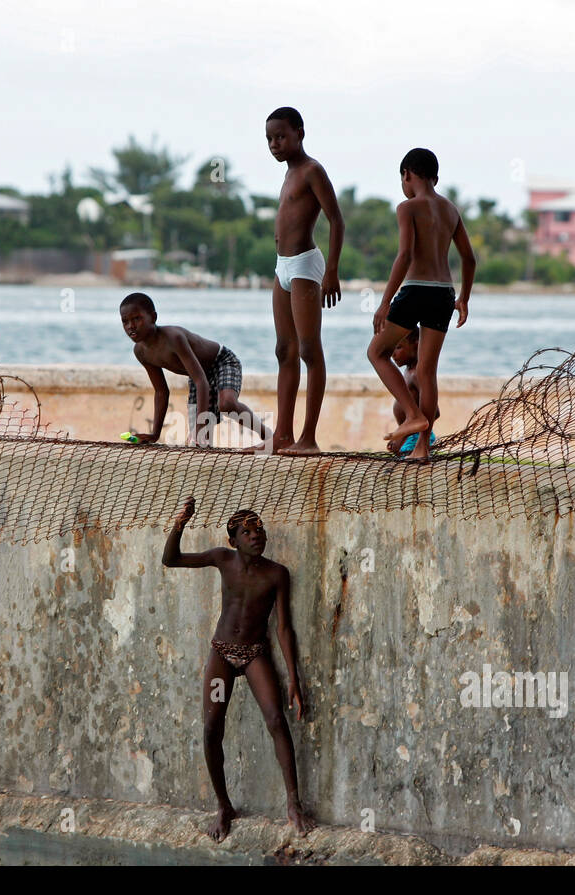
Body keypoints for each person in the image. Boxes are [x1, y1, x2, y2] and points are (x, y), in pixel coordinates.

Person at [162, 495, 314, 842]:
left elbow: (284, 628)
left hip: (254, 653)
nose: (255, 536)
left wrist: (293, 678)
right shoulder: (222, 559)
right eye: (247, 532)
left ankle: (293, 803)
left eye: (259, 530)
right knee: (212, 725)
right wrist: (179, 524)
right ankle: (223, 805)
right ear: (234, 541)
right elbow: (170, 560)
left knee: (276, 719)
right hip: (223, 655)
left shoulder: (277, 574)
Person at [366, 147, 475, 461]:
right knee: (427, 371)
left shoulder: (408, 208)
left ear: (407, 175)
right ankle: (422, 448)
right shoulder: (451, 210)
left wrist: (385, 301)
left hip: (416, 289)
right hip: (444, 293)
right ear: (435, 177)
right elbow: (469, 258)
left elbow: (405, 256)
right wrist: (463, 297)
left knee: (376, 352)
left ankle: (413, 414)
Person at [265, 106, 345, 456]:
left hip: (305, 266)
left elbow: (336, 220)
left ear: (300, 133)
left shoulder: (312, 170)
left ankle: (308, 437)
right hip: (282, 266)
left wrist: (332, 271)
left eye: (281, 136)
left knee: (310, 349)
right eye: (269, 139)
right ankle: (282, 434)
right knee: (285, 350)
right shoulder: (287, 174)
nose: (274, 144)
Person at [121, 292, 271, 448]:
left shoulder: (174, 337)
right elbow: (161, 392)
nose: (130, 326)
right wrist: (155, 434)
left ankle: (268, 436)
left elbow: (201, 382)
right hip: (198, 374)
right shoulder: (140, 352)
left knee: (226, 404)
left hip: (221, 361)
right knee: (199, 445)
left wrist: (199, 427)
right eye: (125, 321)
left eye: (137, 319)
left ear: (153, 317)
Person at [385, 329, 436, 455]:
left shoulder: (415, 375)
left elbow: (436, 412)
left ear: (416, 344)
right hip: (409, 436)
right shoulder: (407, 372)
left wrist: (403, 436)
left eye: (398, 347)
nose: (393, 354)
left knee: (409, 470)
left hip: (415, 437)